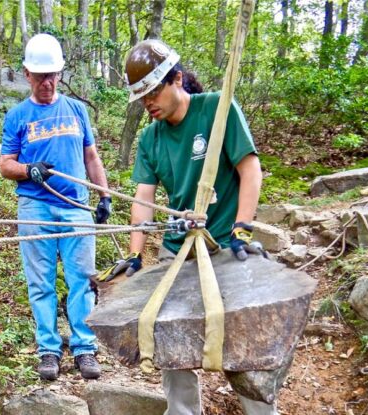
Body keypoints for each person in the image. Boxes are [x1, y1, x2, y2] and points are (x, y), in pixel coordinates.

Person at [110, 39, 269, 414]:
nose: (148, 103)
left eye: (153, 92)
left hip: (225, 242)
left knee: (241, 338)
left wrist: (243, 227)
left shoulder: (216, 109)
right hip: (179, 249)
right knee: (168, 334)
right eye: (142, 97)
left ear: (177, 79)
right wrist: (134, 254)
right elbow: (143, 199)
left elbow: (250, 169)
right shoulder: (150, 138)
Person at [0, 33, 111, 381]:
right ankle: (48, 349)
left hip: (76, 206)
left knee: (82, 280)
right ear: (27, 74)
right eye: (40, 76)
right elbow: (5, 165)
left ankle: (84, 348)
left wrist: (104, 195)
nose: (47, 82)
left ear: (60, 74)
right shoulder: (17, 116)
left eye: (52, 75)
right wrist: (28, 170)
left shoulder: (77, 110)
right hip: (35, 207)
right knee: (41, 283)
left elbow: (91, 156)